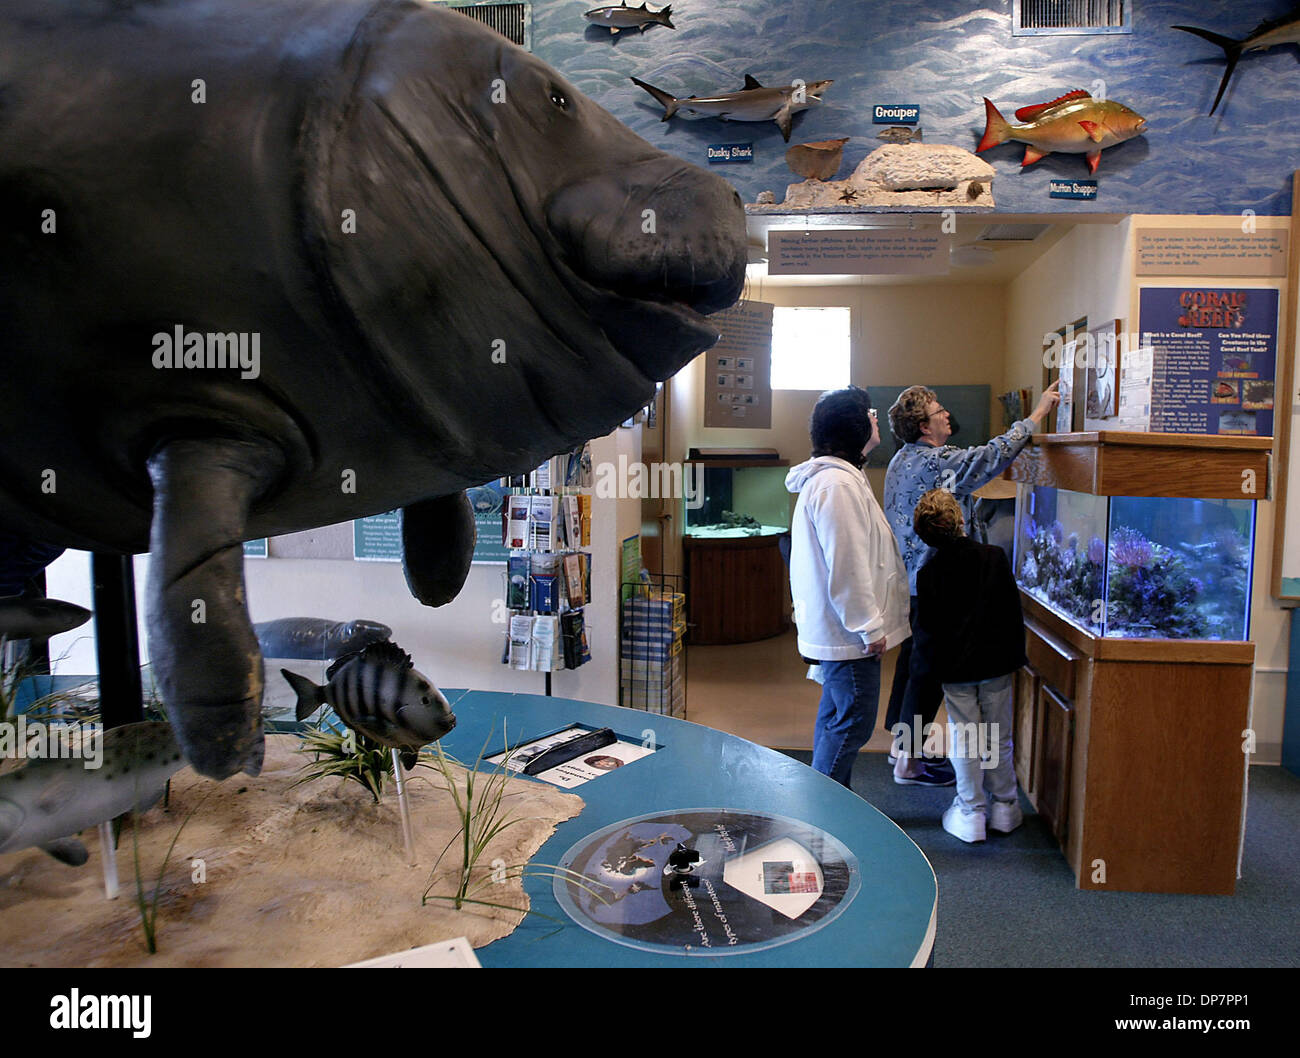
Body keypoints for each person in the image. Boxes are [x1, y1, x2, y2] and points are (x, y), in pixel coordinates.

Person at [883, 381, 1058, 786]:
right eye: (939, 411)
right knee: (926, 678)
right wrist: (1036, 416)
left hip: (910, 584)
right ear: (925, 427)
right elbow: (991, 456)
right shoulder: (937, 462)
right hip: (937, 585)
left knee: (912, 669)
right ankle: (909, 763)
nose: (947, 415)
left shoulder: (900, 460)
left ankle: (901, 748)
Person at [786, 387, 910, 788]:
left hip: (845, 631)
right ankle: (826, 814)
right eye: (870, 413)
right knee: (851, 724)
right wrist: (869, 626)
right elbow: (848, 564)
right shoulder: (837, 486)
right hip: (849, 634)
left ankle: (826, 811)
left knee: (838, 718)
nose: (876, 419)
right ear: (854, 427)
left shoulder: (840, 480)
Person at [911, 489, 1027, 842]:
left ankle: (971, 809)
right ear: (961, 520)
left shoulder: (928, 573)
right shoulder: (994, 557)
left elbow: (927, 632)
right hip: (996, 662)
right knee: (999, 734)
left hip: (955, 670)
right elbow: (1011, 612)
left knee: (965, 736)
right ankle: (1005, 804)